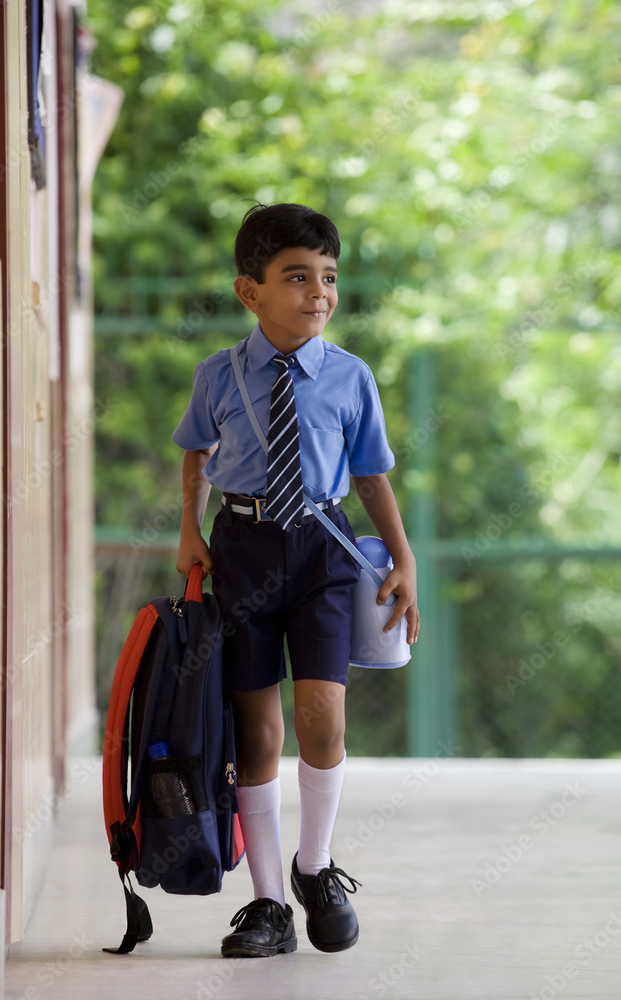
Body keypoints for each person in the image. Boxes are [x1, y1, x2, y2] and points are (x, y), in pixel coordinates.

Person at [173, 202, 419, 958]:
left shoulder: (350, 376)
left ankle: (316, 866)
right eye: (298, 277)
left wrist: (403, 558)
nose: (320, 293)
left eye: (329, 277)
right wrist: (190, 527)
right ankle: (270, 904)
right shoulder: (218, 375)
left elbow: (372, 475)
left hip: (324, 548)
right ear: (251, 292)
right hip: (242, 549)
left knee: (321, 720)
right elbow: (194, 454)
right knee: (257, 733)